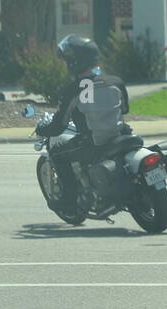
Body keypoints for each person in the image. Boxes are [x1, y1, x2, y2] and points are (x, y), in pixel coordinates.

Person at [34, 35, 130, 222]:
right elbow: (124, 108)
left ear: (73, 62)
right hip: (121, 137)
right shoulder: (115, 81)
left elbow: (58, 127)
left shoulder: (72, 90)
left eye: (66, 61)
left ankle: (69, 200)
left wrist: (42, 128)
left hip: (94, 145)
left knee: (58, 154)